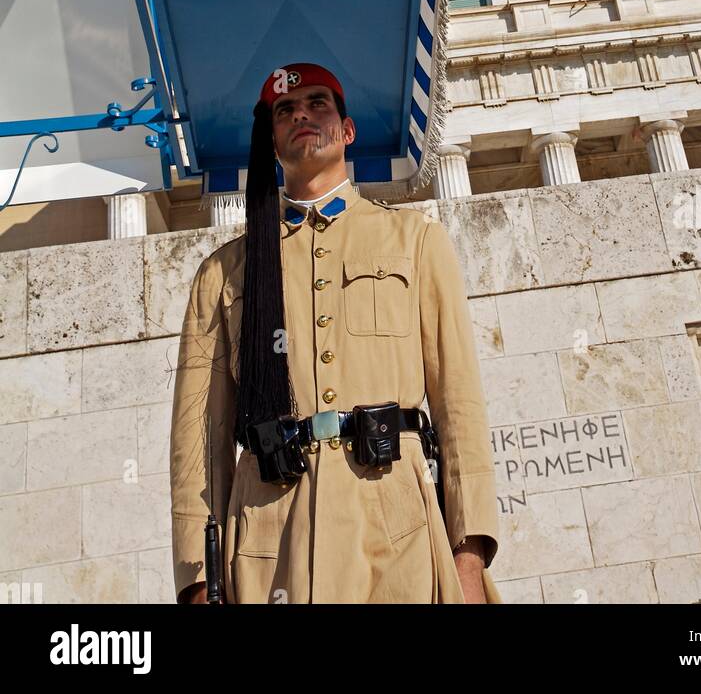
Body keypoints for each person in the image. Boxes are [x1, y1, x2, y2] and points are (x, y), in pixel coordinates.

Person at [169, 61, 502, 604]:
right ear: (272, 141)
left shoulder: (415, 240)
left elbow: (458, 405)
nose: (301, 114)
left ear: (347, 131)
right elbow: (197, 441)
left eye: (317, 103)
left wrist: (468, 554)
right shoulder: (224, 273)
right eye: (285, 111)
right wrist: (198, 582)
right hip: (272, 539)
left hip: (397, 533)